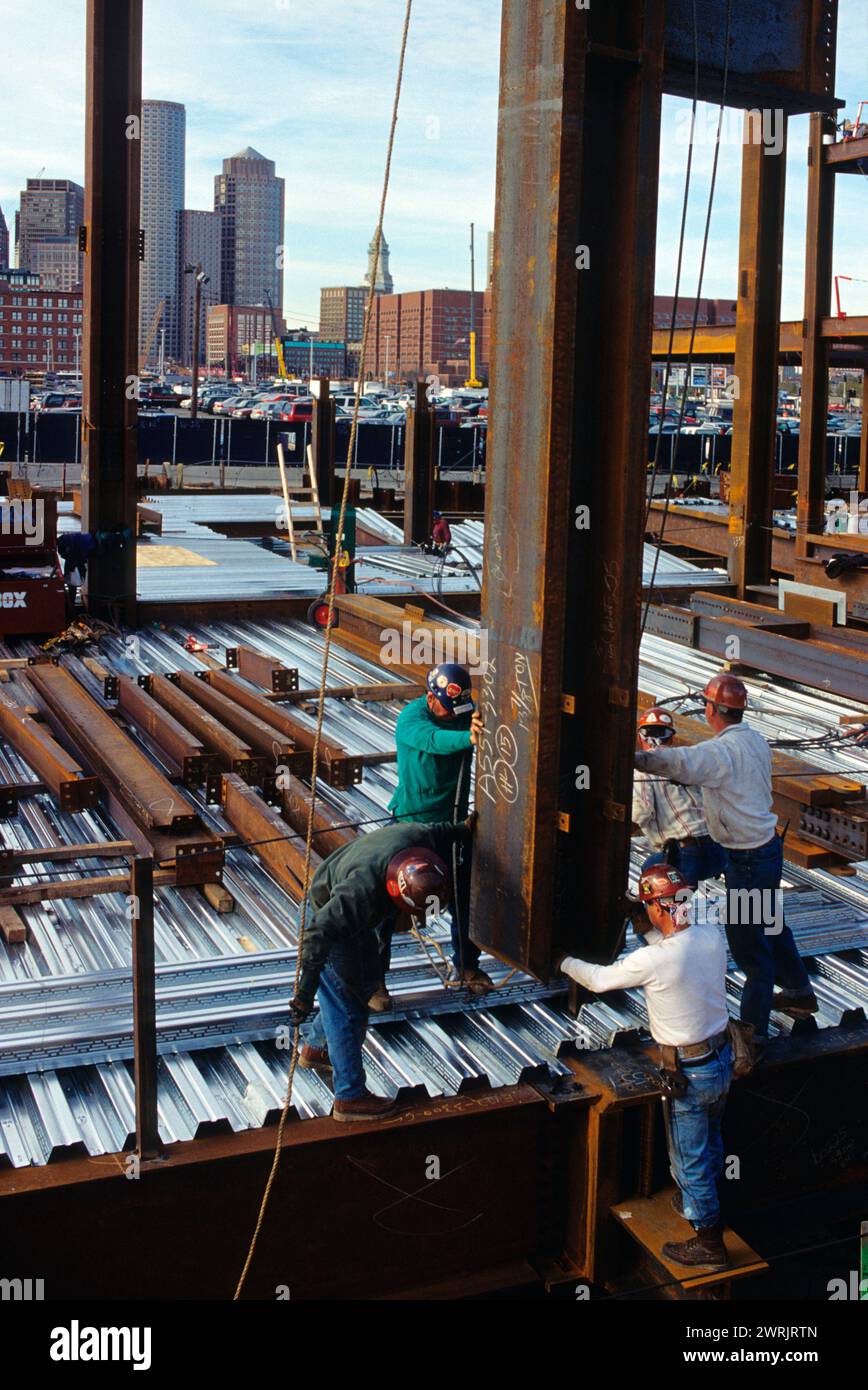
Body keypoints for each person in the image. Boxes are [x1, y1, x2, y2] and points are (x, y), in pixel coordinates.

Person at [560, 864, 733, 1271]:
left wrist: (564, 960)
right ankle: (700, 1197)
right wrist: (646, 925)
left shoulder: (653, 960)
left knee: (686, 1158)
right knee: (711, 1140)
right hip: (721, 1061)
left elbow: (600, 980)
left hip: (688, 1073)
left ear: (657, 907)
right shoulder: (710, 935)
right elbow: (673, 946)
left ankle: (708, 1241)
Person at [634, 672, 818, 1052]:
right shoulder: (753, 740)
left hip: (747, 862)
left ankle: (753, 1035)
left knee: (751, 948)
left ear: (711, 710)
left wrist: (634, 759)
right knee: (768, 921)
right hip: (765, 852)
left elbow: (682, 763)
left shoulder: (717, 754)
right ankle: (799, 990)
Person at [290, 818, 472, 1122]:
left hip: (351, 920)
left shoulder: (419, 838)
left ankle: (317, 1048)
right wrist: (304, 995)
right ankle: (349, 1098)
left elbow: (441, 830)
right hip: (322, 920)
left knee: (363, 985)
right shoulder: (359, 894)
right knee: (348, 1005)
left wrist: (466, 828)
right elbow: (316, 937)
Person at [380, 663, 491, 1003]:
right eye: (447, 706)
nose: (454, 713)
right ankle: (373, 981)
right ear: (430, 697)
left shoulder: (463, 712)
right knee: (385, 906)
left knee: (463, 896)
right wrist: (467, 737)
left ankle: (468, 966)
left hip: (453, 825)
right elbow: (434, 741)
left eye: (460, 708)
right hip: (411, 825)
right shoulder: (412, 719)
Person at [633, 706, 726, 888]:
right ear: (672, 738)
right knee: (651, 864)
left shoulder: (643, 769)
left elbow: (641, 813)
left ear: (639, 737)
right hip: (718, 850)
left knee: (653, 886)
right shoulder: (687, 761)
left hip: (687, 854)